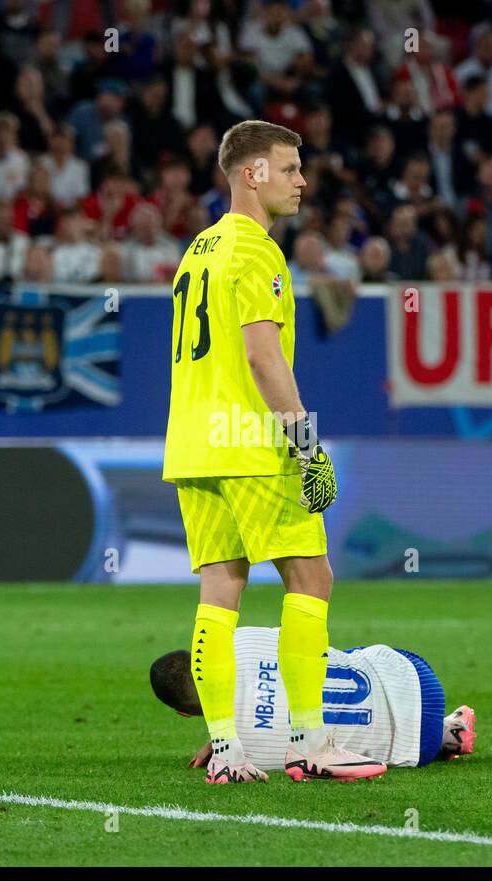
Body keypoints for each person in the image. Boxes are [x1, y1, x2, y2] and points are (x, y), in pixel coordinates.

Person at [162, 119, 384, 785]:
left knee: (220, 590)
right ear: (253, 174)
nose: (302, 180)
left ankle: (228, 749)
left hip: (195, 447)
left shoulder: (198, 249)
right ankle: (312, 741)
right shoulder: (258, 251)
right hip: (253, 444)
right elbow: (263, 357)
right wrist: (307, 444)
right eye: (290, 168)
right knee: (311, 579)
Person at [150, 627, 477, 773]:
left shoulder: (241, 756)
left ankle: (447, 733)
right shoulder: (241, 637)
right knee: (323, 657)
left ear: (183, 713)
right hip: (416, 677)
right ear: (199, 655)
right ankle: (449, 726)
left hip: (418, 746)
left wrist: (222, 738)